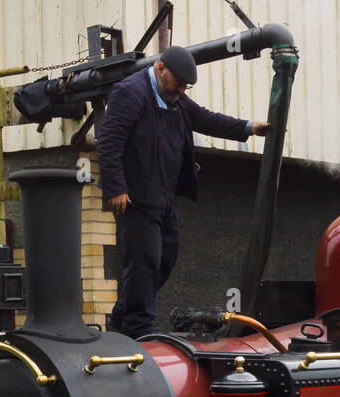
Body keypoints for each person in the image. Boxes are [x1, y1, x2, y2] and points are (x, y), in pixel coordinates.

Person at [98, 46, 270, 339]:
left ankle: (122, 315)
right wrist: (116, 188)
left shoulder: (174, 98)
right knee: (145, 264)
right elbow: (109, 142)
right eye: (178, 83)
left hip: (165, 198)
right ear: (161, 68)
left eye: (185, 86)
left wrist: (248, 127)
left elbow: (205, 118)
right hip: (136, 200)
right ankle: (138, 332)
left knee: (166, 259)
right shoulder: (130, 93)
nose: (181, 90)